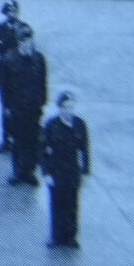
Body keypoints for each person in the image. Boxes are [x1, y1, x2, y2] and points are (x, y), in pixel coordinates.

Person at [41, 91, 91, 248]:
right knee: (57, 204)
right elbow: (42, 150)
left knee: (72, 205)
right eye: (66, 107)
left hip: (73, 170)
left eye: (71, 107)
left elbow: (85, 148)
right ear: (60, 108)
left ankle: (71, 237)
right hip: (57, 169)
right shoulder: (51, 125)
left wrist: (85, 170)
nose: (69, 111)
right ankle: (57, 237)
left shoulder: (80, 124)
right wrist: (46, 173)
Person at [1, 25, 49, 187]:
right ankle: (18, 171)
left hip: (34, 108)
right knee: (18, 141)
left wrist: (42, 101)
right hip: (17, 107)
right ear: (19, 42)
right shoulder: (9, 58)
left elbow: (43, 82)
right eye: (23, 40)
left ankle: (30, 172)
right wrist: (6, 107)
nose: (27, 43)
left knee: (33, 141)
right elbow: (4, 86)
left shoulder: (39, 58)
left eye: (29, 40)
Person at [0, 0, 31, 154]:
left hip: (22, 76)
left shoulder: (25, 28)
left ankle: (19, 140)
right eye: (9, 11)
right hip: (5, 75)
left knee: (21, 109)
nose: (12, 14)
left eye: (14, 11)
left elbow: (30, 52)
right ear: (5, 13)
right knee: (6, 108)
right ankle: (6, 140)